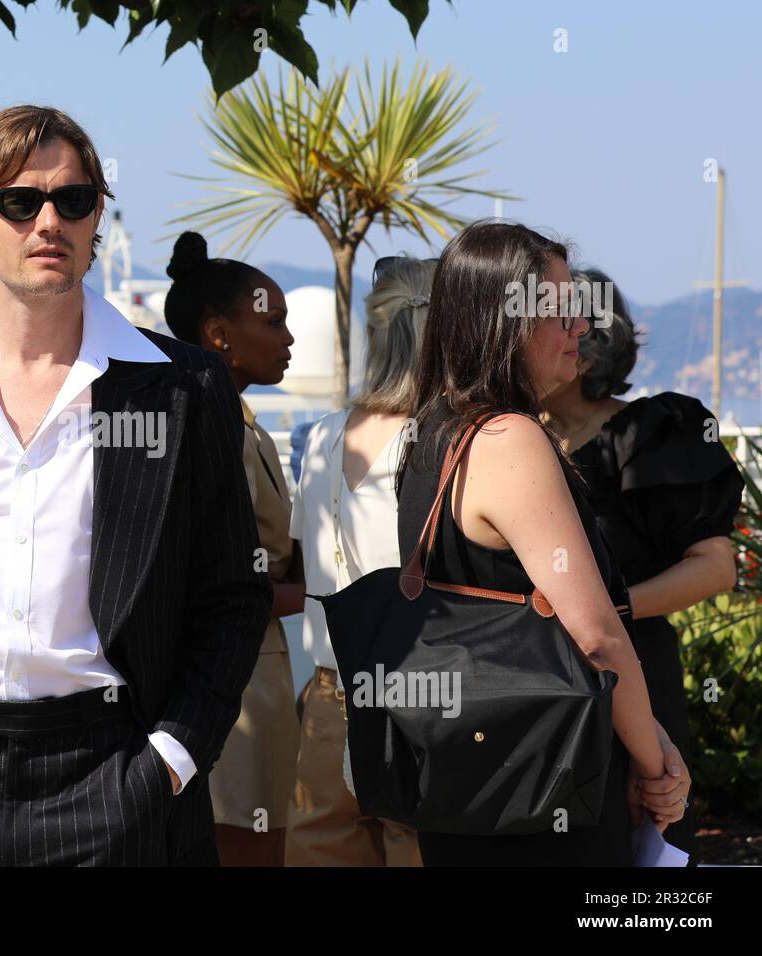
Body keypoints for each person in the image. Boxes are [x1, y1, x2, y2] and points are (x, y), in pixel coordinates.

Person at [0, 105, 271, 866]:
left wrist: (170, 760)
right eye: (19, 202)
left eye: (74, 200)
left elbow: (230, 594)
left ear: (97, 214)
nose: (48, 223)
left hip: (110, 776)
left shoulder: (184, 388)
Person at [394, 221, 691, 865]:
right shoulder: (509, 438)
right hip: (546, 788)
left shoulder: (432, 433)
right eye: (561, 310)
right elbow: (596, 635)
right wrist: (656, 760)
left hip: (471, 781)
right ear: (503, 322)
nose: (581, 328)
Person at [541, 268, 743, 861]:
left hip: (633, 673)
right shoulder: (517, 443)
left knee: (635, 849)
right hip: (538, 681)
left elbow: (715, 569)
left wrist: (608, 609)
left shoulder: (653, 432)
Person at [285, 255, 435, 867]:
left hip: (330, 695)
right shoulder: (445, 442)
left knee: (322, 848)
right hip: (422, 693)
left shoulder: (322, 435)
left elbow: (305, 556)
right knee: (417, 847)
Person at [162, 230, 302, 867]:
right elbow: (210, 580)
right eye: (272, 322)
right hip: (238, 684)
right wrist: (330, 595)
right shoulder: (213, 427)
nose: (289, 339)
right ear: (219, 334)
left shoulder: (243, 426)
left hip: (256, 673)